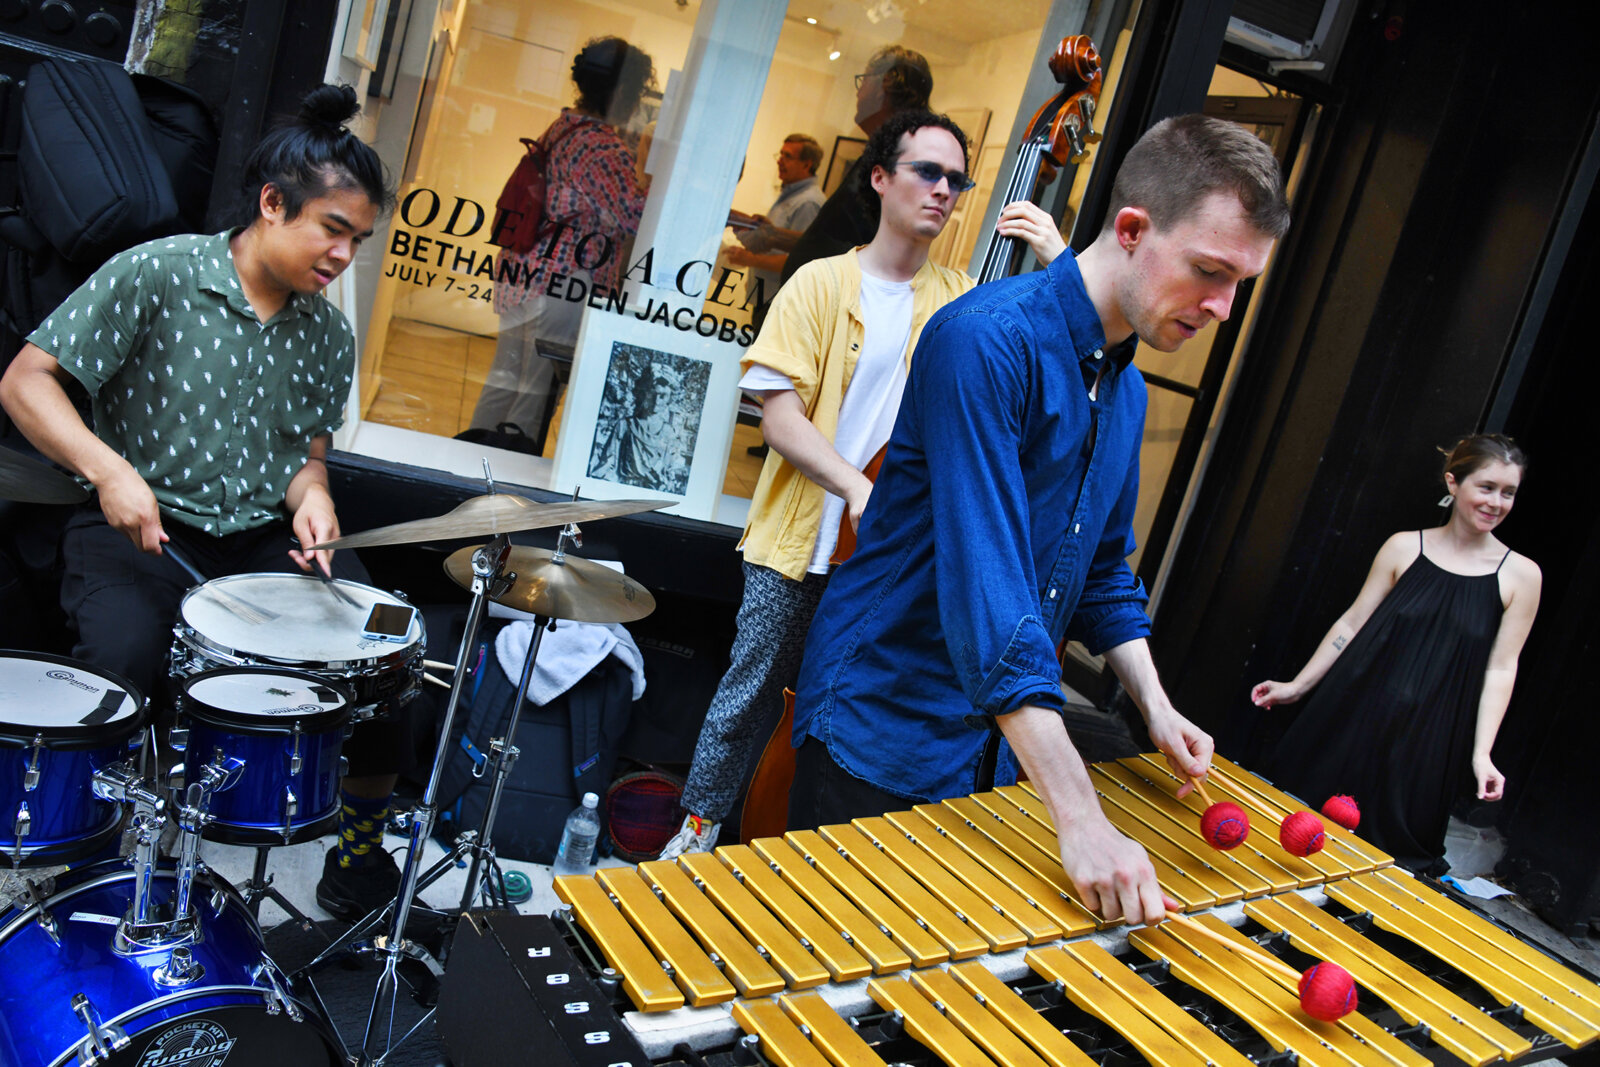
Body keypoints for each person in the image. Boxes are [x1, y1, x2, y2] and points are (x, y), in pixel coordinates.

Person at [789, 114, 1291, 926]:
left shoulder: (1124, 389)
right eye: (1209, 271)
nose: (1224, 307)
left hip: (990, 747)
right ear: (1131, 229)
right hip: (885, 726)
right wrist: (1082, 816)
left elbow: (1101, 576)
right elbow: (992, 602)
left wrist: (1155, 707)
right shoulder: (983, 341)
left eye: (1241, 284)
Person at [0, 85, 417, 924]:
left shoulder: (327, 334)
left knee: (388, 656)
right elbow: (25, 381)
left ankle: (358, 856)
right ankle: (83, 875)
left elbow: (305, 453)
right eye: (333, 230)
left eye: (359, 240)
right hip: (136, 528)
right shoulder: (160, 272)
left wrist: (315, 496)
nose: (345, 255)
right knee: (123, 653)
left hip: (257, 539)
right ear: (272, 204)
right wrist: (108, 469)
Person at [659, 110, 1069, 859]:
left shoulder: (965, 298)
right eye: (927, 172)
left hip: (884, 564)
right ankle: (693, 834)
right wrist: (856, 485)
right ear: (880, 178)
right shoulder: (820, 283)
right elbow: (779, 419)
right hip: (801, 544)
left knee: (836, 716)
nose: (943, 190)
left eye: (957, 179)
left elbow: (1049, 361)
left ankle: (793, 856)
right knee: (749, 698)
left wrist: (1059, 262)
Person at [1252, 434, 1541, 874]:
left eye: (1509, 493)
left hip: (1430, 736)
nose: (1496, 502)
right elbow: (1351, 623)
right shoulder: (1404, 547)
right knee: (1296, 834)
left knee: (1388, 864)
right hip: (1355, 712)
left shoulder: (1521, 575)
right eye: (1486, 487)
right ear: (1453, 483)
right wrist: (1298, 686)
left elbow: (1501, 668)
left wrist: (1482, 754)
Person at [471, 36, 655, 450]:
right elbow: (637, 215)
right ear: (623, 89)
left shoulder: (562, 126)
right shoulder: (604, 146)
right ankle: (508, 477)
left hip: (523, 267)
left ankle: (467, 457)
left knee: (506, 377)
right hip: (563, 282)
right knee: (537, 391)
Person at [779, 46, 934, 286]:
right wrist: (775, 237)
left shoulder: (900, 160)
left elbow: (867, 246)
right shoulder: (884, 152)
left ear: (884, 86)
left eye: (864, 81)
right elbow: (837, 237)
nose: (858, 93)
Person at [726, 134, 827, 307]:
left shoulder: (808, 203)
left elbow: (800, 260)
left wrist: (749, 260)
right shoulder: (791, 195)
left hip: (779, 305)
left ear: (806, 164)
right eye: (780, 155)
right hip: (766, 298)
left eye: (787, 156)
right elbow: (774, 240)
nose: (779, 161)